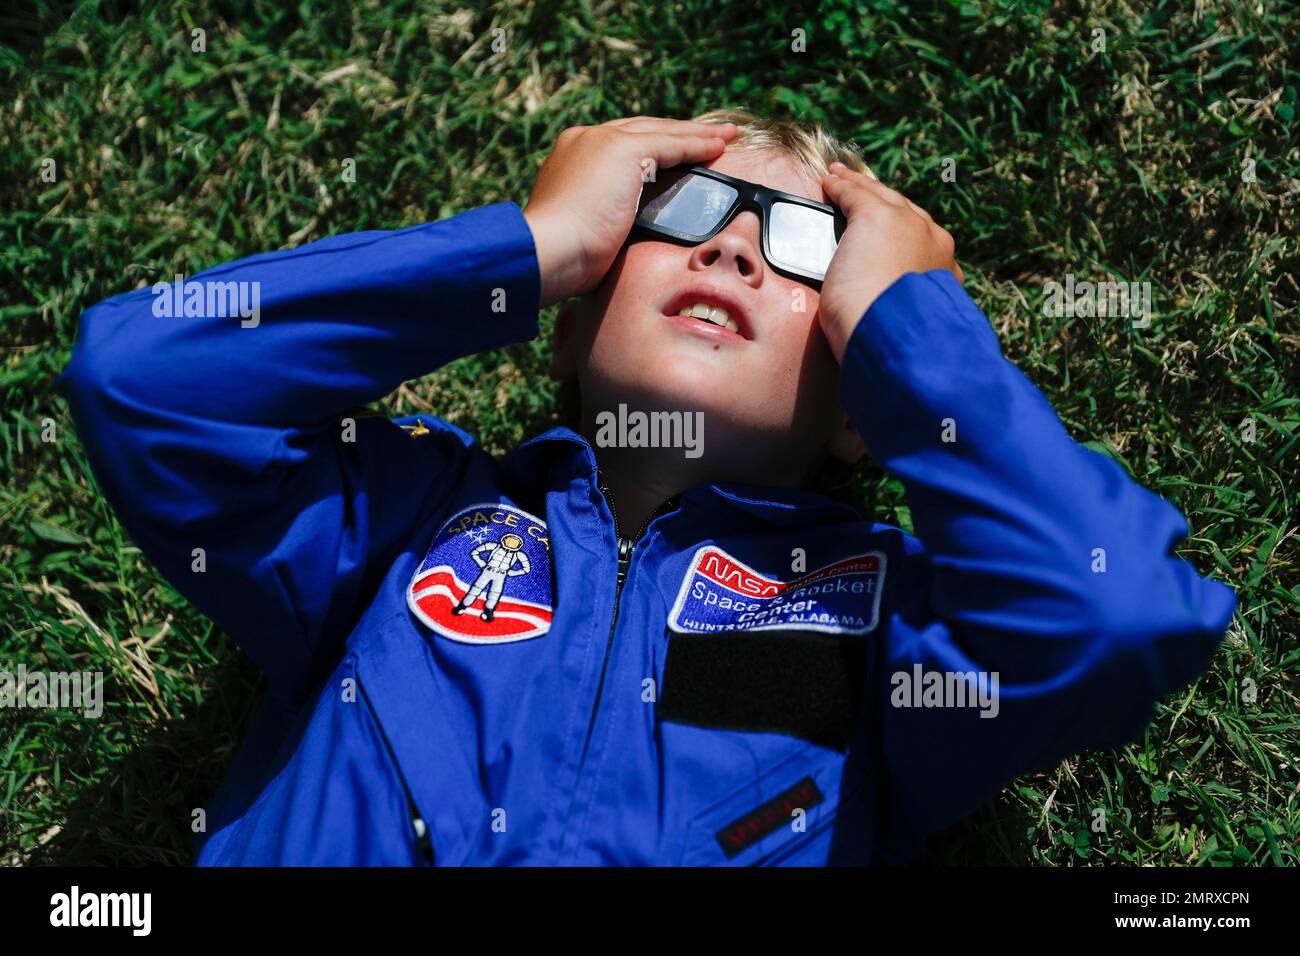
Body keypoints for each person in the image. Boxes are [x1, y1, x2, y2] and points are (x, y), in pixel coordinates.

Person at [57, 110, 1236, 865]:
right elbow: (143, 381)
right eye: (681, 214)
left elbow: (1111, 612)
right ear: (568, 329)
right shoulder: (401, 527)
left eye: (807, 247)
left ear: (858, 414)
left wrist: (909, 334)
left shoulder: (879, 638)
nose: (730, 249)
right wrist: (518, 251)